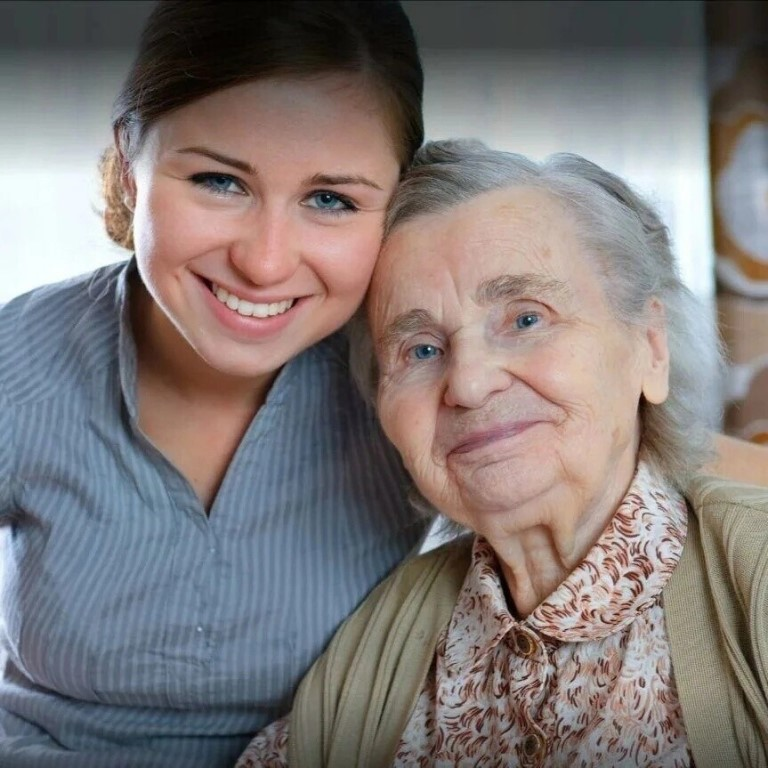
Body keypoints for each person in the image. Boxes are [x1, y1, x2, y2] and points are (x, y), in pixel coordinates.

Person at [239, 141, 768, 768]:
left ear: (650, 348)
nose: (467, 384)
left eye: (525, 319)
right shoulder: (375, 649)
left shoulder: (751, 582)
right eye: (420, 351)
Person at [0, 3, 426, 767]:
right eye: (219, 181)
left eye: (330, 200)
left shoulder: (415, 368)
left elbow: (639, 467)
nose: (265, 263)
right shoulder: (18, 360)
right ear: (131, 162)